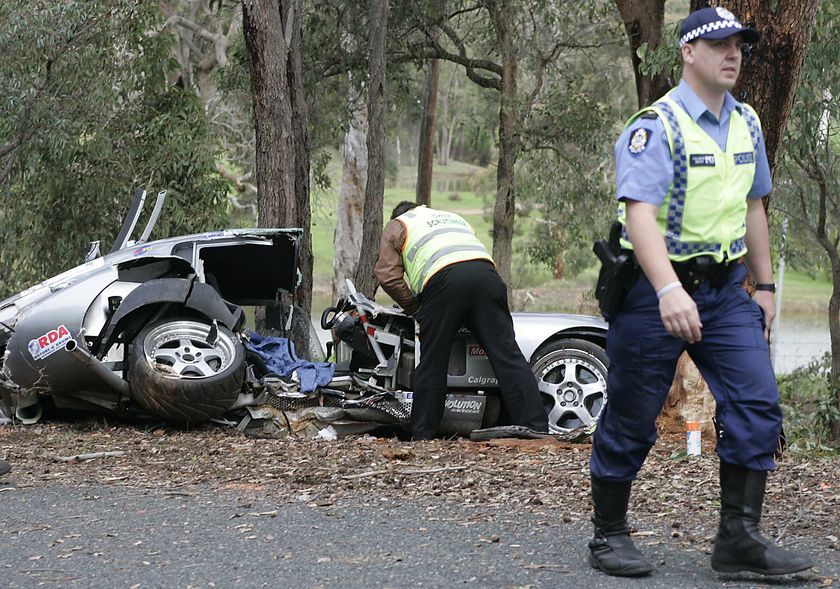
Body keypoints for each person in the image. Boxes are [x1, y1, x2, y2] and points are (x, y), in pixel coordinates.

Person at [587, 7, 813, 578]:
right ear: (688, 52)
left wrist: (763, 286)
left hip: (724, 292)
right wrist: (667, 290)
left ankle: (738, 539)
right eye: (719, 44)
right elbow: (638, 215)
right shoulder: (655, 126)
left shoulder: (748, 124)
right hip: (652, 293)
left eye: (739, 44)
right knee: (634, 415)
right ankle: (608, 534)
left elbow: (754, 205)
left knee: (758, 403)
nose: (733, 53)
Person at [374, 202, 549, 441]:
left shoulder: (398, 224)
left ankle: (423, 434)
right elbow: (468, 255)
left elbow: (388, 276)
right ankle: (536, 427)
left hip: (445, 281)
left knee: (433, 360)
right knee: (507, 355)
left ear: (399, 214)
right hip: (487, 278)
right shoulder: (452, 217)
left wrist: (416, 308)